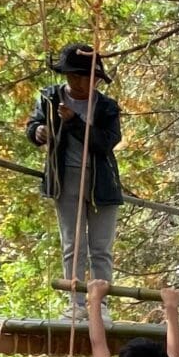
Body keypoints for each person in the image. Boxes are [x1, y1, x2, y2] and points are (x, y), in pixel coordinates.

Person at [28, 43, 124, 318]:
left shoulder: (106, 107)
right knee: (73, 244)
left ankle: (100, 304)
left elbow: (105, 142)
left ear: (96, 79)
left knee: (101, 247)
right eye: (74, 76)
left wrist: (73, 123)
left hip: (102, 182)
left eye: (87, 77)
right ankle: (76, 304)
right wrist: (38, 132)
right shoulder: (50, 97)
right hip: (65, 178)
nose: (80, 82)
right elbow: (32, 125)